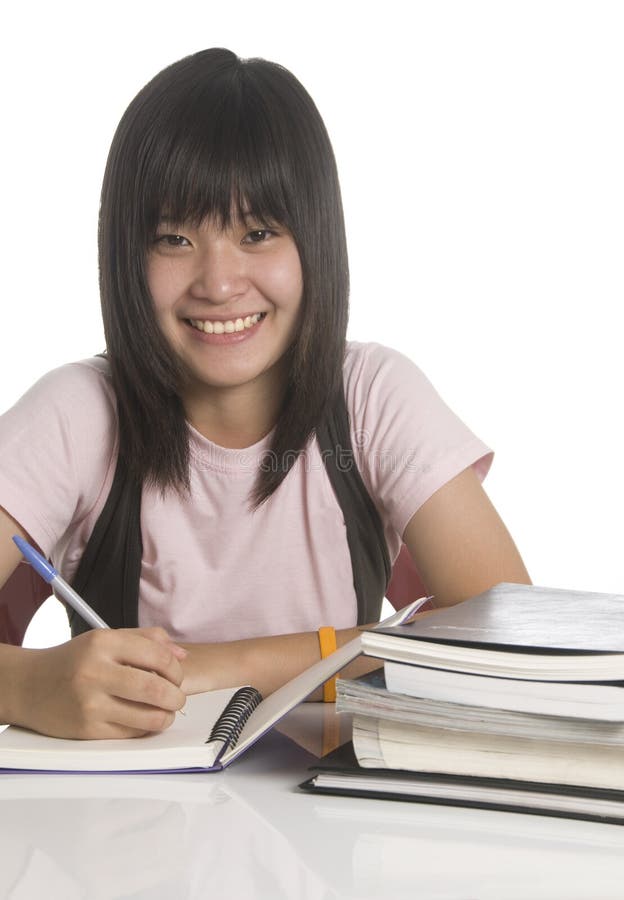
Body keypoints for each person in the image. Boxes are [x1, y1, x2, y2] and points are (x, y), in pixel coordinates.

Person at [0, 48, 530, 740]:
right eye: (174, 237)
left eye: (257, 233)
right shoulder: (78, 413)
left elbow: (515, 642)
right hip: (129, 832)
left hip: (339, 829)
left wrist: (212, 668)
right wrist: (25, 684)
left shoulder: (371, 396)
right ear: (125, 254)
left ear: (316, 241)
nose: (218, 282)